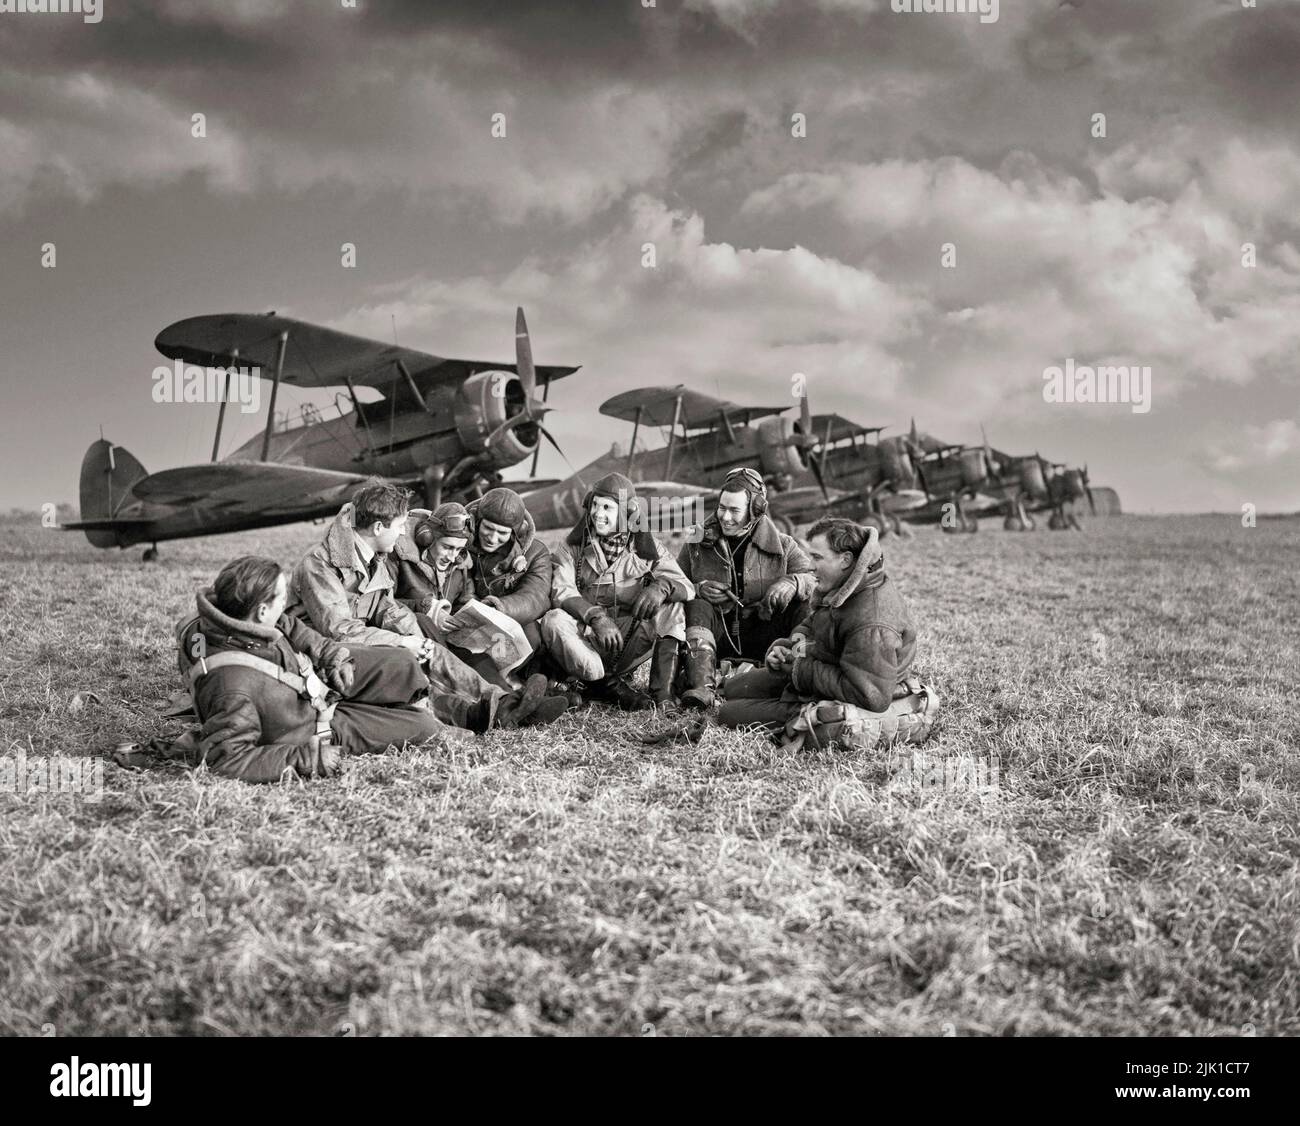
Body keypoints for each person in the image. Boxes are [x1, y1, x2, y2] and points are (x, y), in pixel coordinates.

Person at [288, 478, 565, 729]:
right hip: (326, 653)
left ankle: (506, 703)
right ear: (377, 527)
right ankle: (497, 711)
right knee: (407, 666)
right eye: (398, 527)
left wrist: (419, 638)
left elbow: (386, 607)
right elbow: (340, 631)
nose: (401, 535)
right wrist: (403, 641)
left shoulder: (372, 555)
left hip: (359, 642)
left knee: (428, 648)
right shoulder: (320, 565)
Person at [174, 556, 461, 783]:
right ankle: (433, 718)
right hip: (304, 722)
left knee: (402, 663)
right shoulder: (232, 688)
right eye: (281, 599)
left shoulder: (229, 614)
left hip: (304, 678)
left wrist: (329, 654)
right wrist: (307, 759)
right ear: (262, 611)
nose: (285, 605)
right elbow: (228, 760)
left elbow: (285, 624)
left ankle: (427, 705)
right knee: (422, 729)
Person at [716, 518, 939, 750]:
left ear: (845, 560)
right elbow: (812, 624)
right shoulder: (846, 586)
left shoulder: (872, 621)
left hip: (835, 698)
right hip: (817, 674)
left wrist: (800, 669)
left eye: (817, 557)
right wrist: (790, 648)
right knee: (732, 688)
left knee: (726, 714)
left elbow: (870, 695)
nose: (810, 566)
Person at [540, 472, 695, 709]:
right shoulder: (571, 547)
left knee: (673, 607)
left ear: (626, 514)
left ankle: (663, 693)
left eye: (607, 508)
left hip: (624, 641)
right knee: (553, 619)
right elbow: (562, 590)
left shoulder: (647, 547)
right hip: (583, 642)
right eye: (594, 505)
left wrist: (661, 588)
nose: (597, 514)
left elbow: (685, 586)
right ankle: (603, 684)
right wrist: (596, 617)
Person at [675, 467, 815, 709]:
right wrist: (698, 587)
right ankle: (701, 688)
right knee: (697, 605)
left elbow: (815, 578)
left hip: (768, 638)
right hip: (718, 636)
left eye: (734, 510)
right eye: (722, 508)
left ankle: (797, 677)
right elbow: (674, 581)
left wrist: (793, 582)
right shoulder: (697, 544)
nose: (725, 517)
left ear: (756, 510)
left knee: (803, 605)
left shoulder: (784, 545)